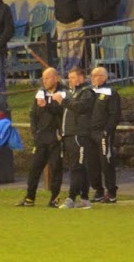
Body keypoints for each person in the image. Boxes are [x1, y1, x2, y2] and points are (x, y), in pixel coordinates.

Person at [20, 67, 65, 207]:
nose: (44, 81)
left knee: (56, 168)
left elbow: (59, 111)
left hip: (56, 138)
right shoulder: (40, 93)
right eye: (43, 78)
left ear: (56, 78)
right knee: (34, 167)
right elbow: (33, 114)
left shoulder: (63, 93)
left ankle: (54, 199)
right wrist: (35, 131)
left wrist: (46, 105)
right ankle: (29, 198)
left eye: (47, 78)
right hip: (41, 137)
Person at [58, 66, 95, 208]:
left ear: (81, 77)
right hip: (68, 134)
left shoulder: (87, 93)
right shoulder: (71, 93)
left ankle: (71, 198)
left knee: (76, 167)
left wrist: (64, 101)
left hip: (79, 135)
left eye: (73, 77)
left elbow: (80, 107)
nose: (70, 80)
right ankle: (84, 198)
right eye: (69, 78)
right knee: (79, 166)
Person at [88, 66, 120, 202]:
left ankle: (111, 191)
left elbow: (115, 114)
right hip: (89, 133)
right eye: (92, 75)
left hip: (103, 133)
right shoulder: (88, 92)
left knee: (105, 161)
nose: (94, 78)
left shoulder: (110, 92)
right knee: (91, 162)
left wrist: (107, 131)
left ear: (105, 77)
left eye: (97, 75)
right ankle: (98, 190)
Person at [54, 0, 86, 71]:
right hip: (61, 22)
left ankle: (72, 69)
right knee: (62, 46)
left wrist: (82, 15)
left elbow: (84, 1)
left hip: (75, 21)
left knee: (74, 47)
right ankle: (62, 67)